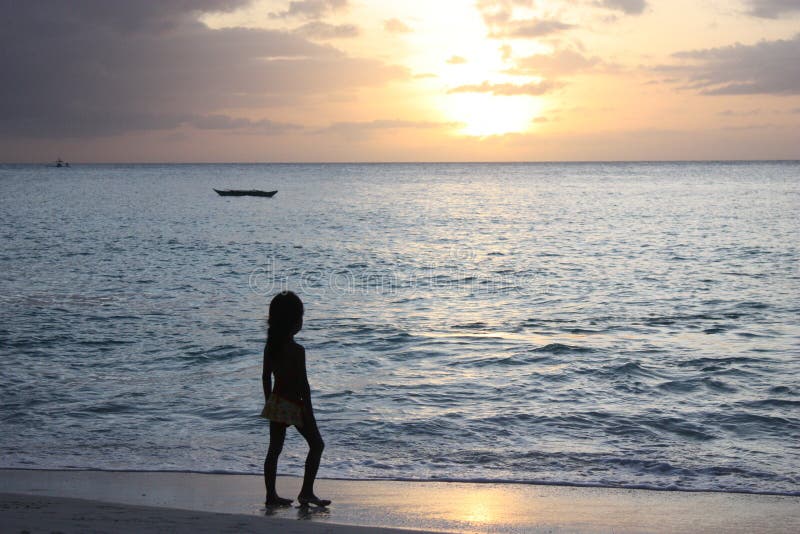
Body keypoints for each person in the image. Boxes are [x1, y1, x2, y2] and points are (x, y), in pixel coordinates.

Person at [261, 291, 330, 507]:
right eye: (300, 317)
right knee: (317, 444)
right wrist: (309, 412)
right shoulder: (297, 350)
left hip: (277, 402)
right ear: (292, 322)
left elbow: (265, 376)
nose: (302, 322)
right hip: (295, 405)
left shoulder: (271, 347)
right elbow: (304, 385)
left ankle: (271, 495)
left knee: (274, 450)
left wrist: (269, 402)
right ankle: (306, 492)